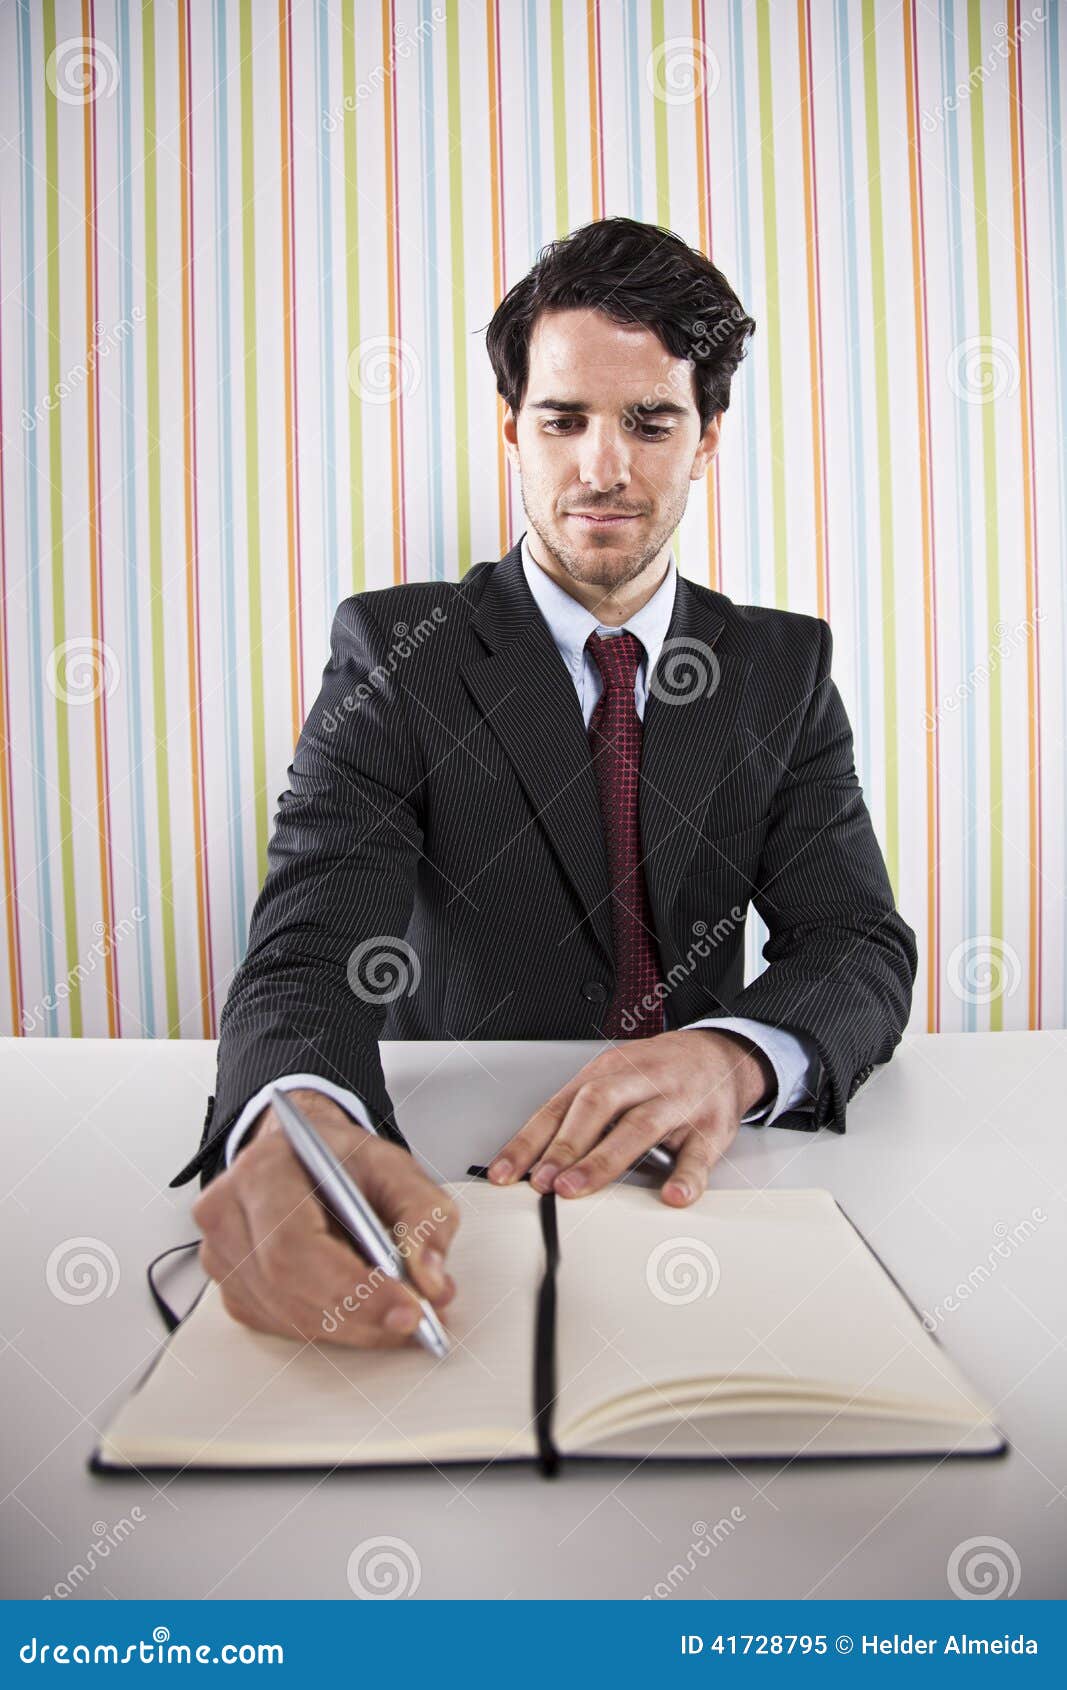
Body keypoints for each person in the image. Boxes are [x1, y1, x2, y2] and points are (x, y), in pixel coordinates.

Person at [173, 217, 917, 1350]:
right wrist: (298, 1123)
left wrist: (732, 1056)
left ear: (705, 439)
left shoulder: (780, 668)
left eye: (649, 421)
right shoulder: (394, 651)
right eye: (564, 419)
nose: (602, 468)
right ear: (512, 430)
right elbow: (307, 953)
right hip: (463, 1176)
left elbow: (855, 942)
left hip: (711, 1195)